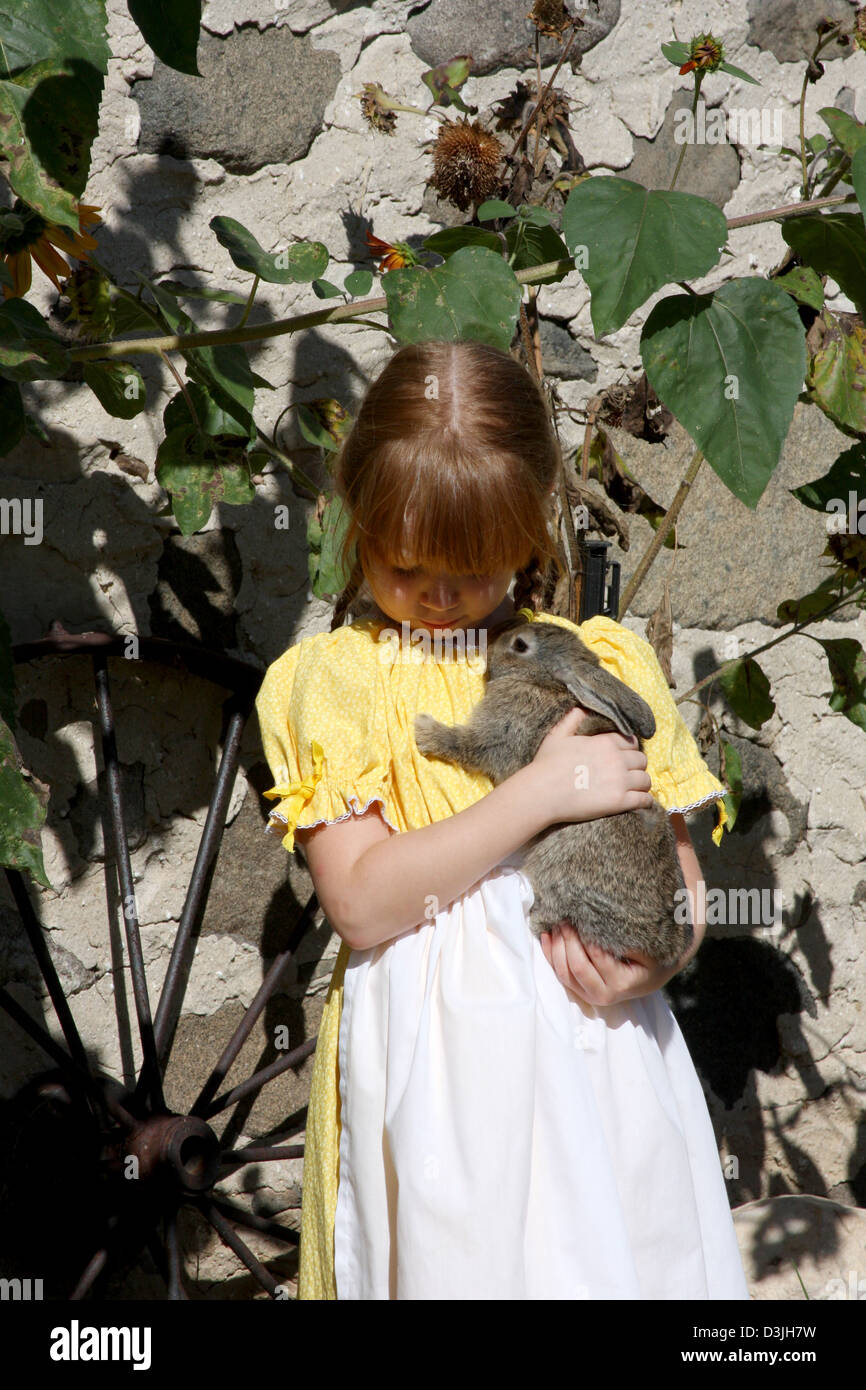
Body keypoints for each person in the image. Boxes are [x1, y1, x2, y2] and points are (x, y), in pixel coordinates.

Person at [255, 338, 751, 1301]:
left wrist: (654, 961)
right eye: (407, 568)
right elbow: (361, 904)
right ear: (356, 520)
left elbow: (681, 888)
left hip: (599, 1068)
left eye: (477, 571)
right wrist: (539, 796)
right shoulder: (338, 683)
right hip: (435, 1094)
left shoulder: (596, 659)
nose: (441, 597)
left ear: (531, 534)